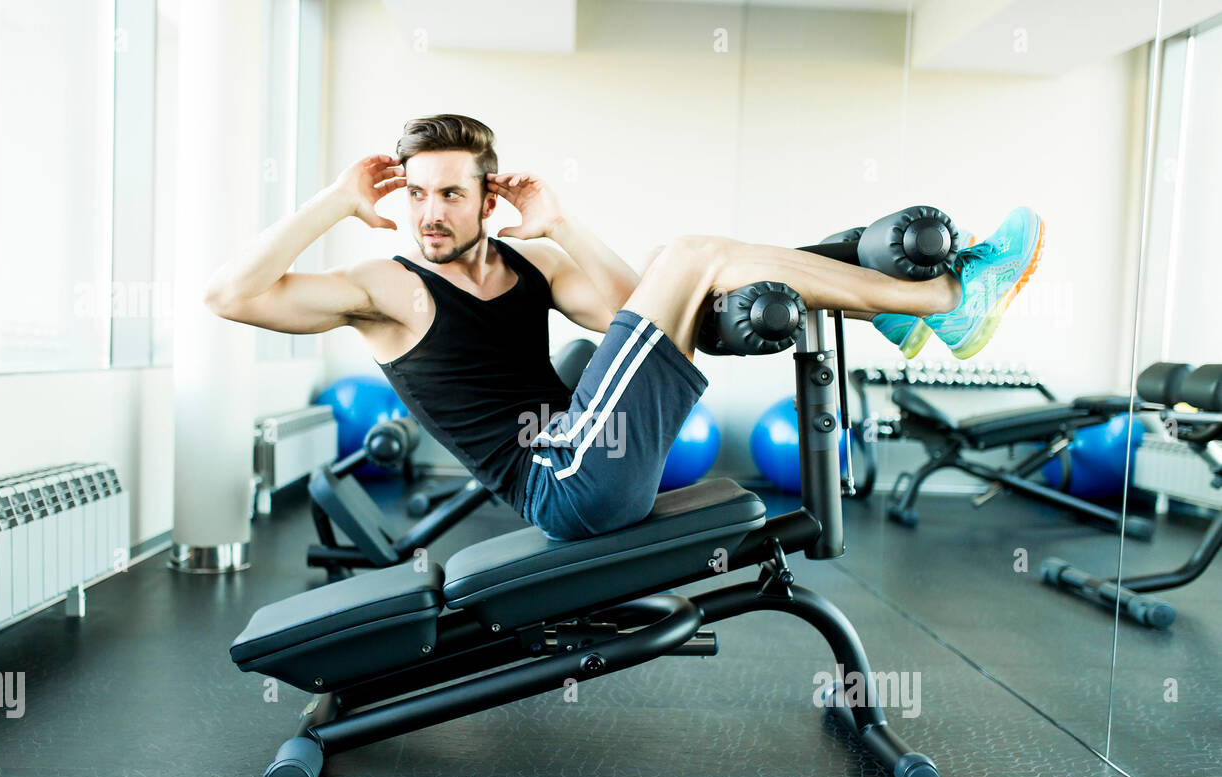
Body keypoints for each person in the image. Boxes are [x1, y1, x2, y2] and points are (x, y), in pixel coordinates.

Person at [204, 114, 1044, 542]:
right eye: (415, 192)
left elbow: (644, 311)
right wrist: (334, 201)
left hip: (587, 455)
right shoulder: (389, 289)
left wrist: (561, 225)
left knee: (685, 265)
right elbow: (231, 296)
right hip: (564, 483)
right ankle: (939, 301)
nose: (429, 213)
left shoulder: (528, 266)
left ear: (489, 198)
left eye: (451, 193)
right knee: (693, 252)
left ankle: (887, 306)